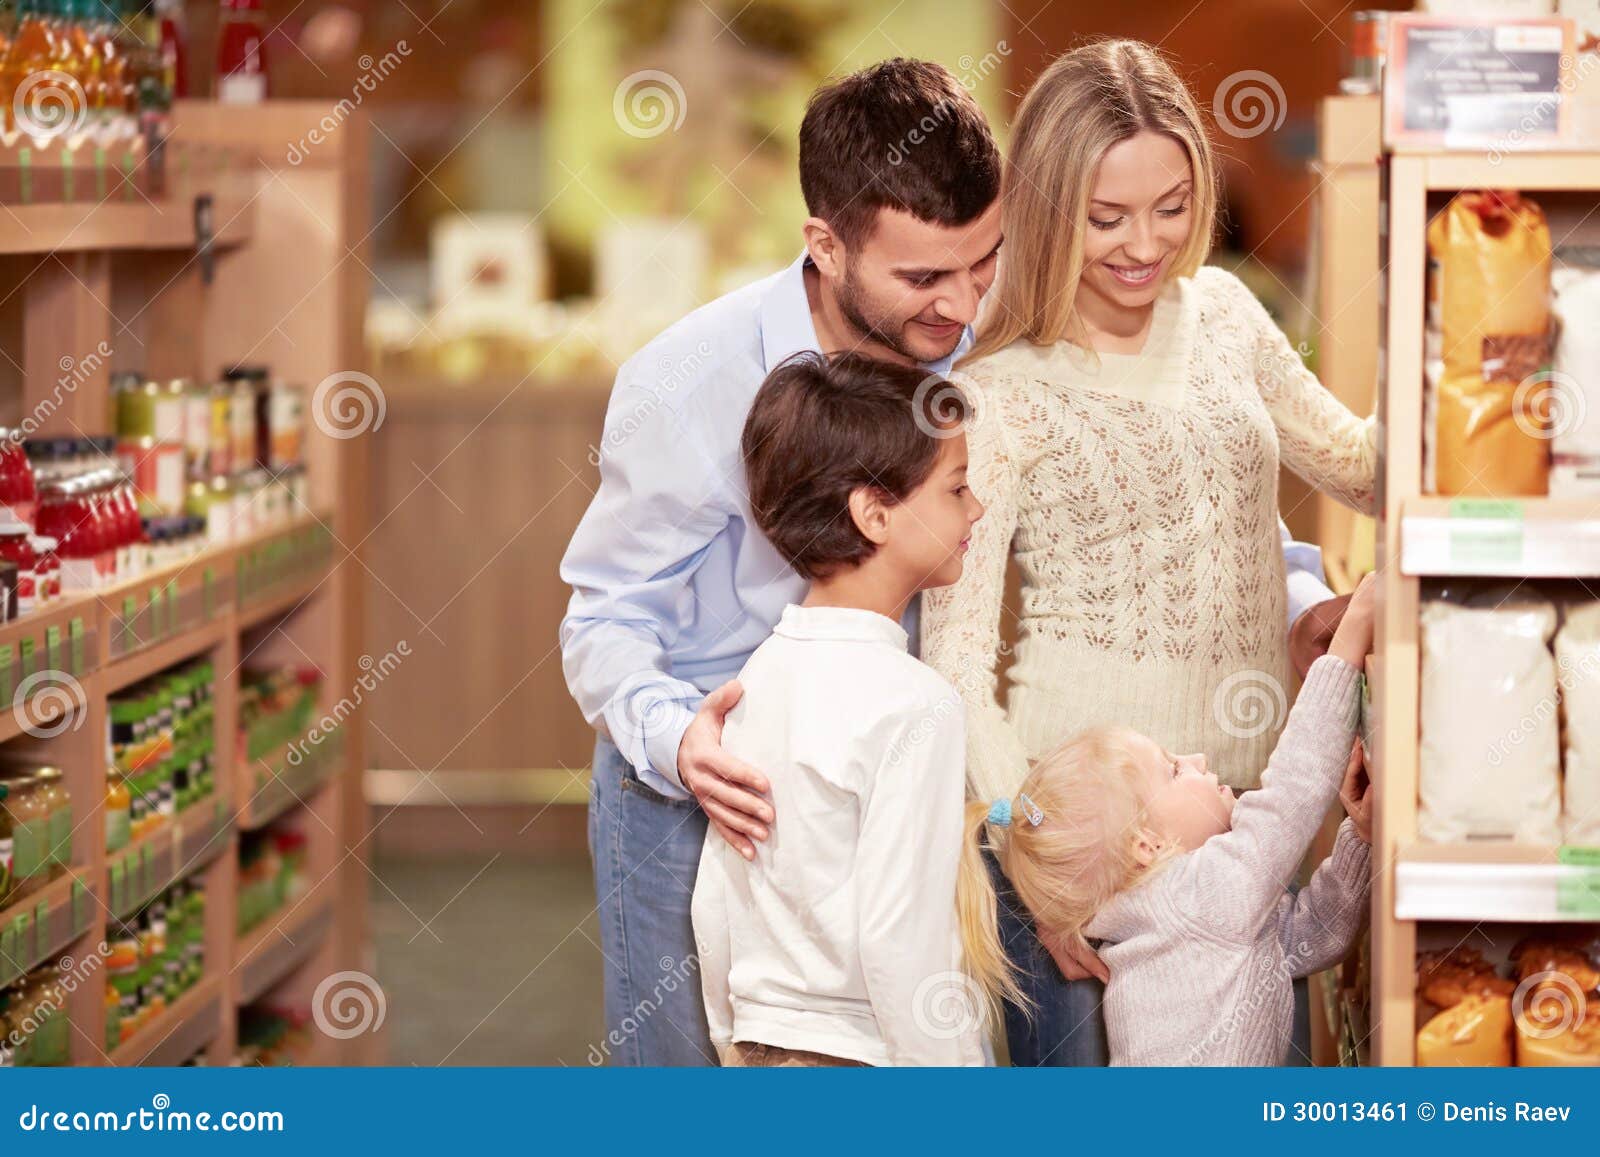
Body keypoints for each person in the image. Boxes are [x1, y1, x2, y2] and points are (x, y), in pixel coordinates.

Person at [560, 56, 1341, 1066]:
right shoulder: (688, 379)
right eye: (925, 277)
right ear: (825, 246)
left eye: (986, 261)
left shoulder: (992, 332)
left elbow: (1160, 498)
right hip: (716, 782)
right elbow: (604, 618)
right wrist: (680, 745)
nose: (963, 303)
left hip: (916, 762)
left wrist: (1295, 591)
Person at [919, 38, 1378, 1066]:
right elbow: (951, 667)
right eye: (1105, 215)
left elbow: (1359, 465)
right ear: (1045, 207)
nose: (1143, 243)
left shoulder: (1220, 313)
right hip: (1091, 861)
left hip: (1241, 813)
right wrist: (1039, 866)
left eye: (1170, 206)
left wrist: (1449, 351)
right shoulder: (1004, 386)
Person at [692, 352, 1011, 1067]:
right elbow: (904, 938)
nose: (978, 508)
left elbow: (714, 898)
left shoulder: (756, 678)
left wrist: (730, 1039)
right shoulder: (918, 703)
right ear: (873, 514)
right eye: (957, 488)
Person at [962, 575, 1378, 1065]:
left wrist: (1360, 834)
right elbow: (1294, 792)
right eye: (1175, 769)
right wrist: (1353, 635)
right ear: (1147, 844)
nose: (1199, 758)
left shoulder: (1171, 914)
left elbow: (1313, 935)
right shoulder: (1200, 898)